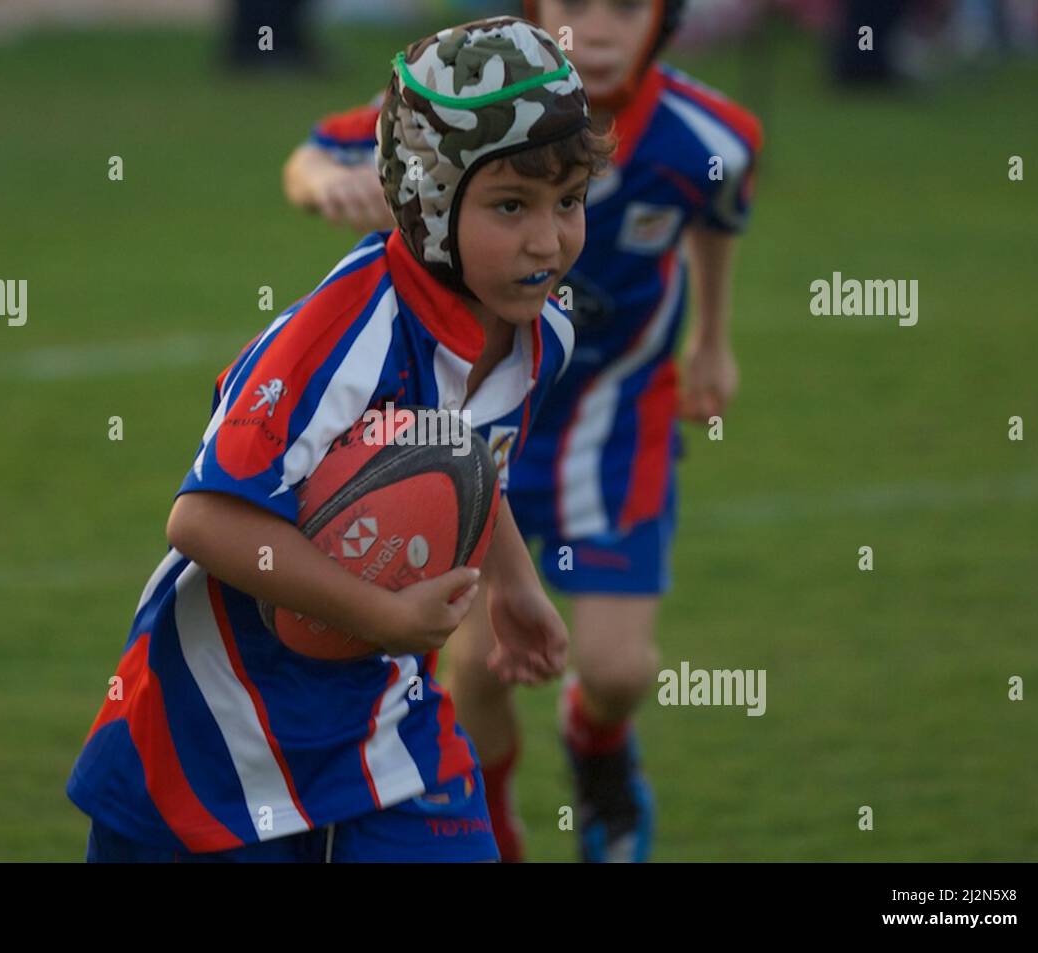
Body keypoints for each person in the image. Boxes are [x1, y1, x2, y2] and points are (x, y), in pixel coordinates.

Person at [67, 15, 614, 862]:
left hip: (381, 718)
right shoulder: (350, 334)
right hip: (215, 733)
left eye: (568, 202)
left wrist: (515, 583)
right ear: (432, 203)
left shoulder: (542, 331)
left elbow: (463, 461)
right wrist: (384, 612)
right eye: (512, 206)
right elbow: (204, 521)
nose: (549, 240)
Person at [283, 0, 762, 862]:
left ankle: (598, 751)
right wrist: (325, 183)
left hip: (616, 420)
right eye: (576, 6)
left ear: (668, 19)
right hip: (472, 419)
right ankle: (495, 827)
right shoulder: (478, 99)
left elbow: (717, 220)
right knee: (474, 670)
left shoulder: (709, 137)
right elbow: (318, 150)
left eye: (627, 7)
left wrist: (713, 340)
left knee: (617, 670)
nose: (602, 30)